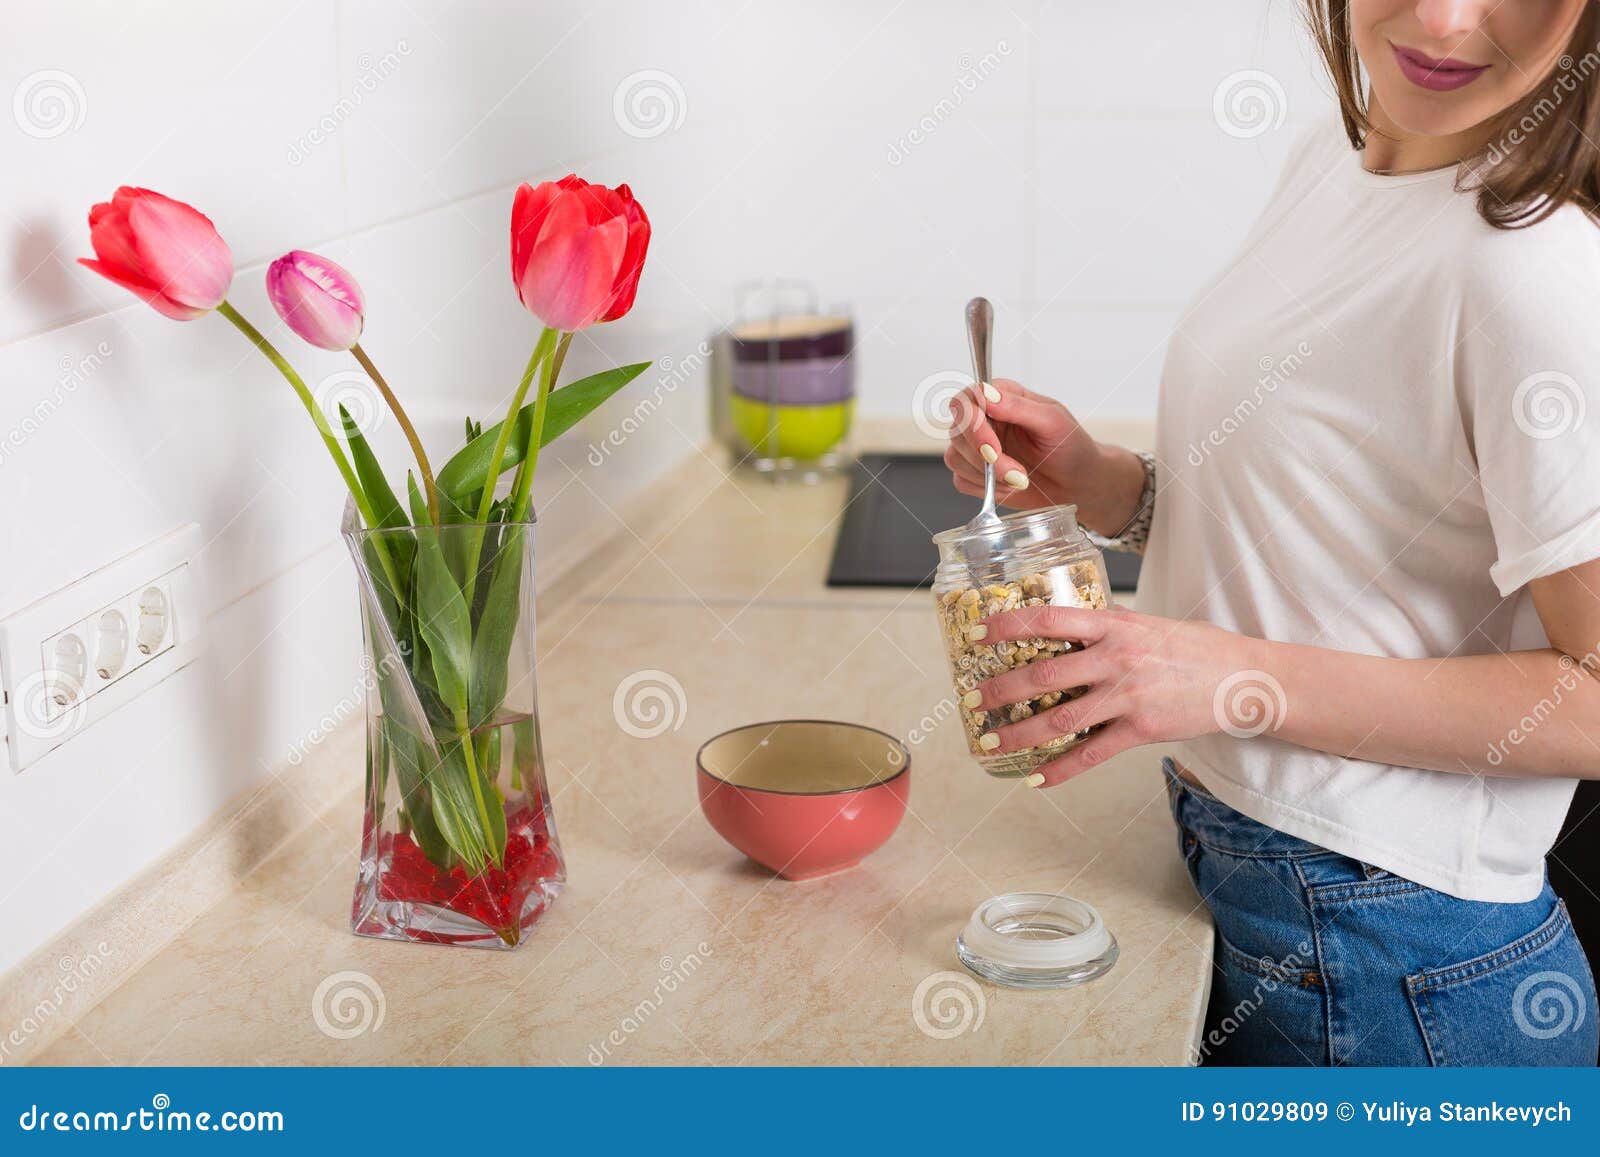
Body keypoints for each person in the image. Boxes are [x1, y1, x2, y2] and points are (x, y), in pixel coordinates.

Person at [944, 0, 1600, 1066]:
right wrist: (1102, 486)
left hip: (1394, 946)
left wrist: (1231, 677)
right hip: (1258, 872)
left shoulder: (1534, 274)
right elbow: (1351, 525)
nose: (1442, 18)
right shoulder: (1345, 158)